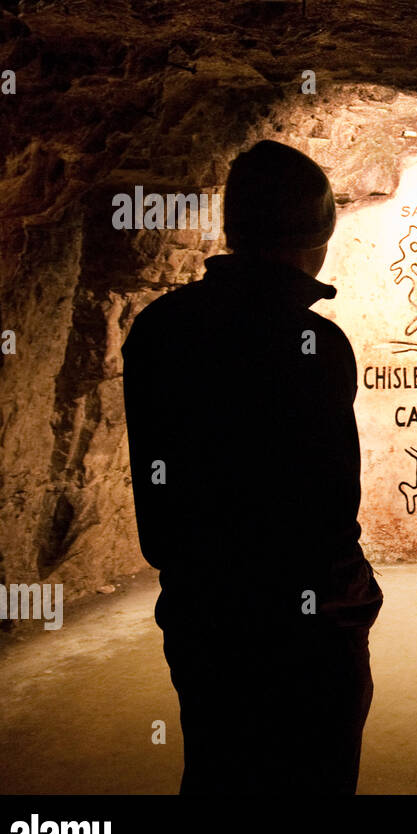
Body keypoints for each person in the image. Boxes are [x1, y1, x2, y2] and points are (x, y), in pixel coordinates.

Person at [122, 140, 383, 794]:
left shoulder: (161, 328)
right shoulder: (314, 344)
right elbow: (327, 514)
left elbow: (164, 503)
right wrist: (350, 602)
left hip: (205, 617)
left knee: (217, 773)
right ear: (317, 239)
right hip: (304, 635)